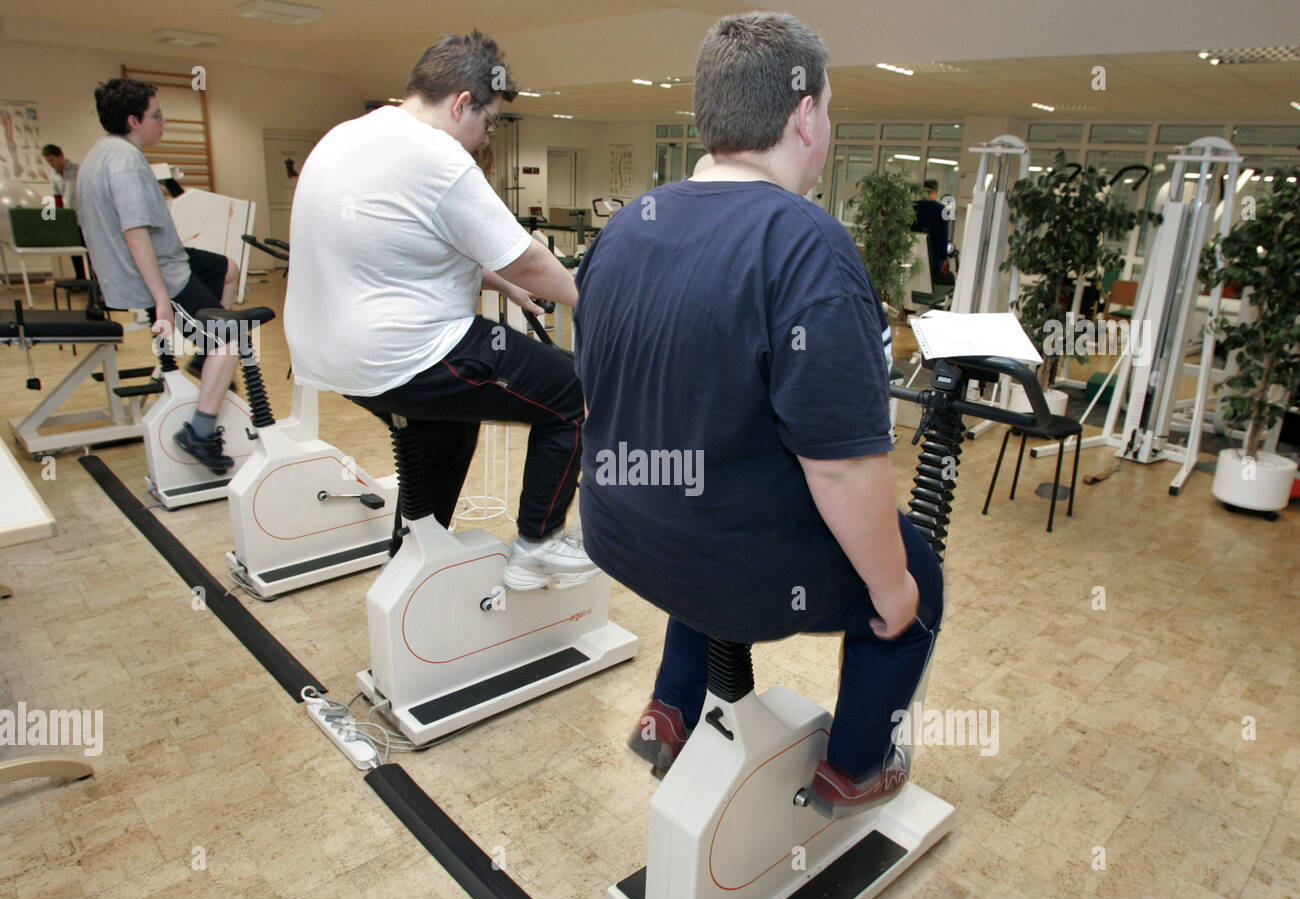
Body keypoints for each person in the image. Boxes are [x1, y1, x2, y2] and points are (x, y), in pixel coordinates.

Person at [573, 11, 944, 816]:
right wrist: (893, 588)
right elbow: (841, 463)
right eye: (832, 110)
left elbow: (602, 392)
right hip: (727, 564)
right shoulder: (807, 242)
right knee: (919, 581)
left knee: (707, 509)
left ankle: (671, 709)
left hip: (618, 529)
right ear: (804, 114)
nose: (830, 127)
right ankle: (855, 767)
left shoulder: (625, 227)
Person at [284, 32, 597, 591]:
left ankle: (413, 560)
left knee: (451, 425)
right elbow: (528, 257)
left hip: (327, 357)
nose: (485, 137)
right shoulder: (438, 155)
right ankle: (539, 545)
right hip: (406, 352)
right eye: (490, 121)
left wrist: (502, 284)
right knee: (574, 391)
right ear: (461, 103)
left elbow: (398, 248)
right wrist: (599, 298)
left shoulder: (348, 135)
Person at [76, 79, 242, 473]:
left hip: (169, 258)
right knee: (232, 340)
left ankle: (206, 357)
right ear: (133, 120)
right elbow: (135, 234)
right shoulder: (125, 162)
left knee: (227, 269)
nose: (163, 122)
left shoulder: (102, 153)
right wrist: (162, 301)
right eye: (157, 115)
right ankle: (200, 432)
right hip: (160, 273)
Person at [41, 144, 85, 279]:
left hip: (83, 216)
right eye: (48, 162)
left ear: (61, 156)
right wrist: (58, 218)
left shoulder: (78, 170)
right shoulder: (54, 176)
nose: (51, 164)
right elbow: (57, 198)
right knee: (74, 250)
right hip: (68, 217)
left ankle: (93, 280)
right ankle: (80, 277)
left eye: (52, 160)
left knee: (87, 248)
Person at [912, 178, 953, 286]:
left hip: (913, 252)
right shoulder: (942, 210)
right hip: (933, 255)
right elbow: (944, 236)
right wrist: (944, 258)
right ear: (935, 192)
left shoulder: (913, 206)